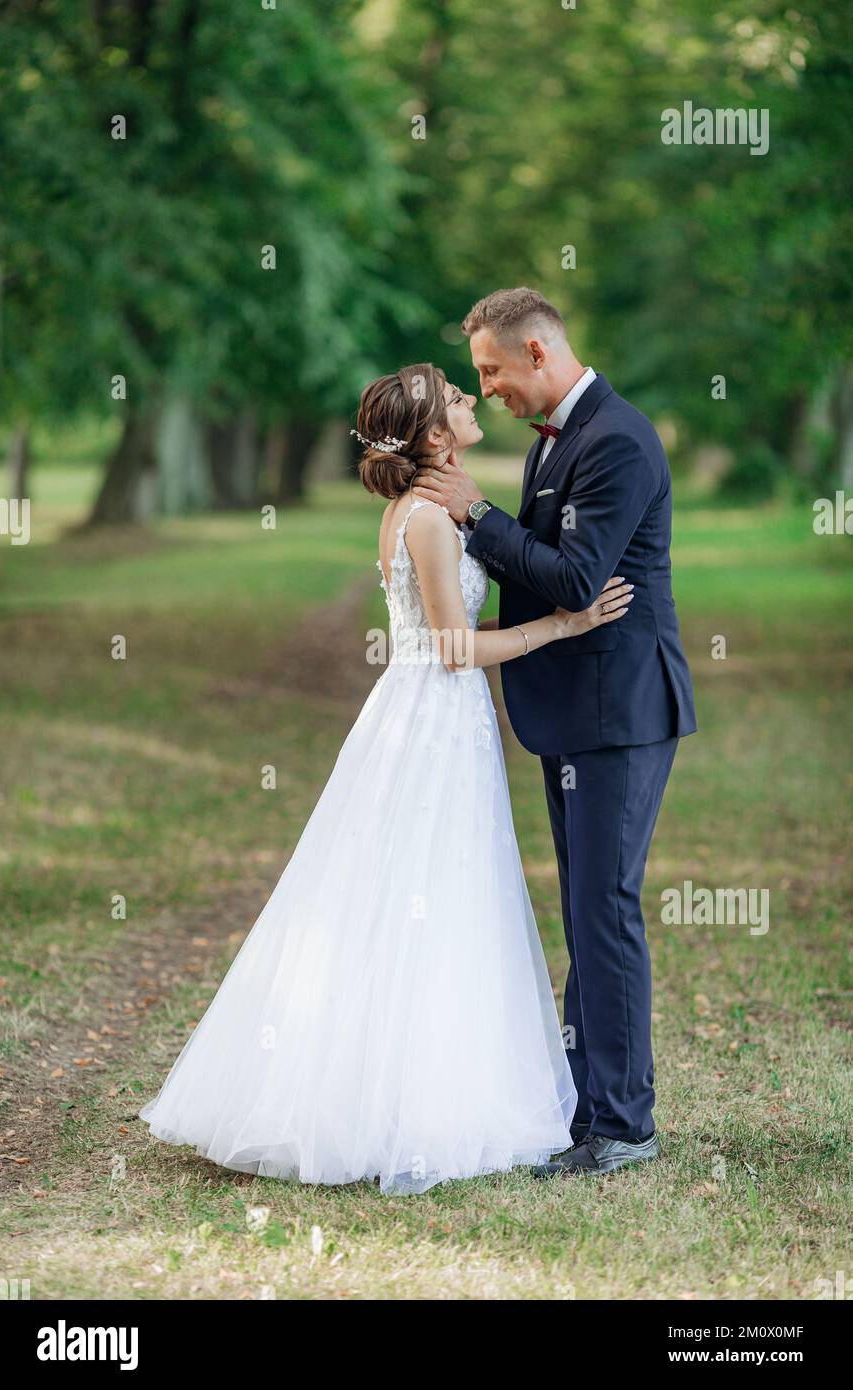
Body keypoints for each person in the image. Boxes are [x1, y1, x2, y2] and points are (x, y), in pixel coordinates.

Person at [138, 361, 633, 1195]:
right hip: (434, 717)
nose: (473, 399)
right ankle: (403, 1105)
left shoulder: (430, 508)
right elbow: (451, 646)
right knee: (425, 895)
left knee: (424, 895)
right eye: (457, 398)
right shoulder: (430, 523)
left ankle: (416, 1081)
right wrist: (564, 622)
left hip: (435, 718)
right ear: (435, 437)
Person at [412, 289, 697, 1177]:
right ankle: (587, 1106)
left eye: (491, 370)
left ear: (537, 354)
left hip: (620, 710)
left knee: (604, 909)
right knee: (584, 908)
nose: (484, 386)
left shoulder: (616, 440)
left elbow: (576, 579)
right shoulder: (559, 440)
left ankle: (623, 1125)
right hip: (574, 707)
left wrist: (475, 515)